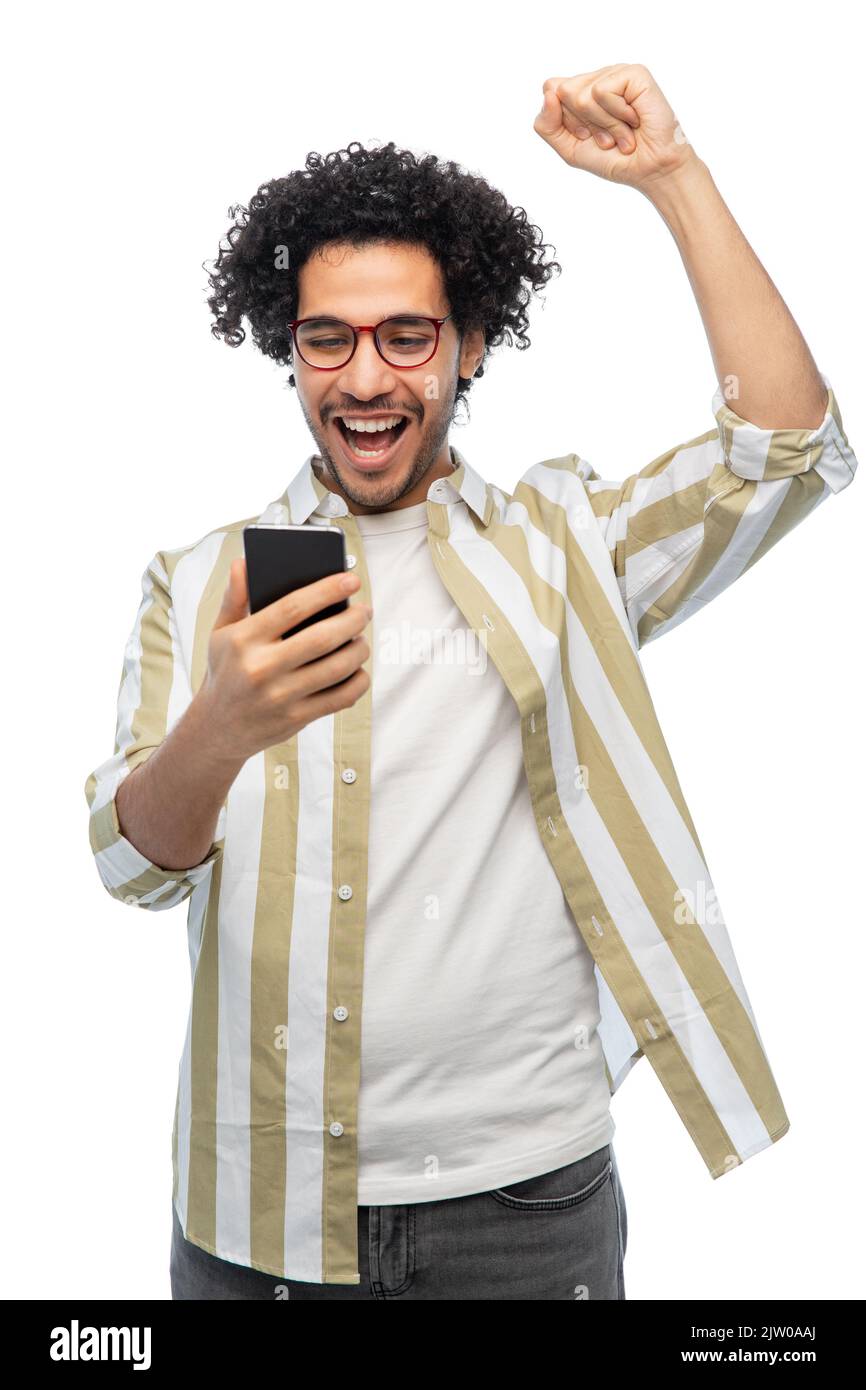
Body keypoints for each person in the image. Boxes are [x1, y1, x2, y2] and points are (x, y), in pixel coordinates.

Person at [84, 64, 858, 1301]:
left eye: (408, 336)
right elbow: (132, 868)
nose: (365, 378)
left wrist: (671, 176)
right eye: (327, 339)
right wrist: (220, 727)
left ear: (471, 344)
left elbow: (785, 450)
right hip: (264, 1213)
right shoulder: (198, 582)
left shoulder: (565, 546)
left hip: (527, 1208)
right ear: (288, 352)